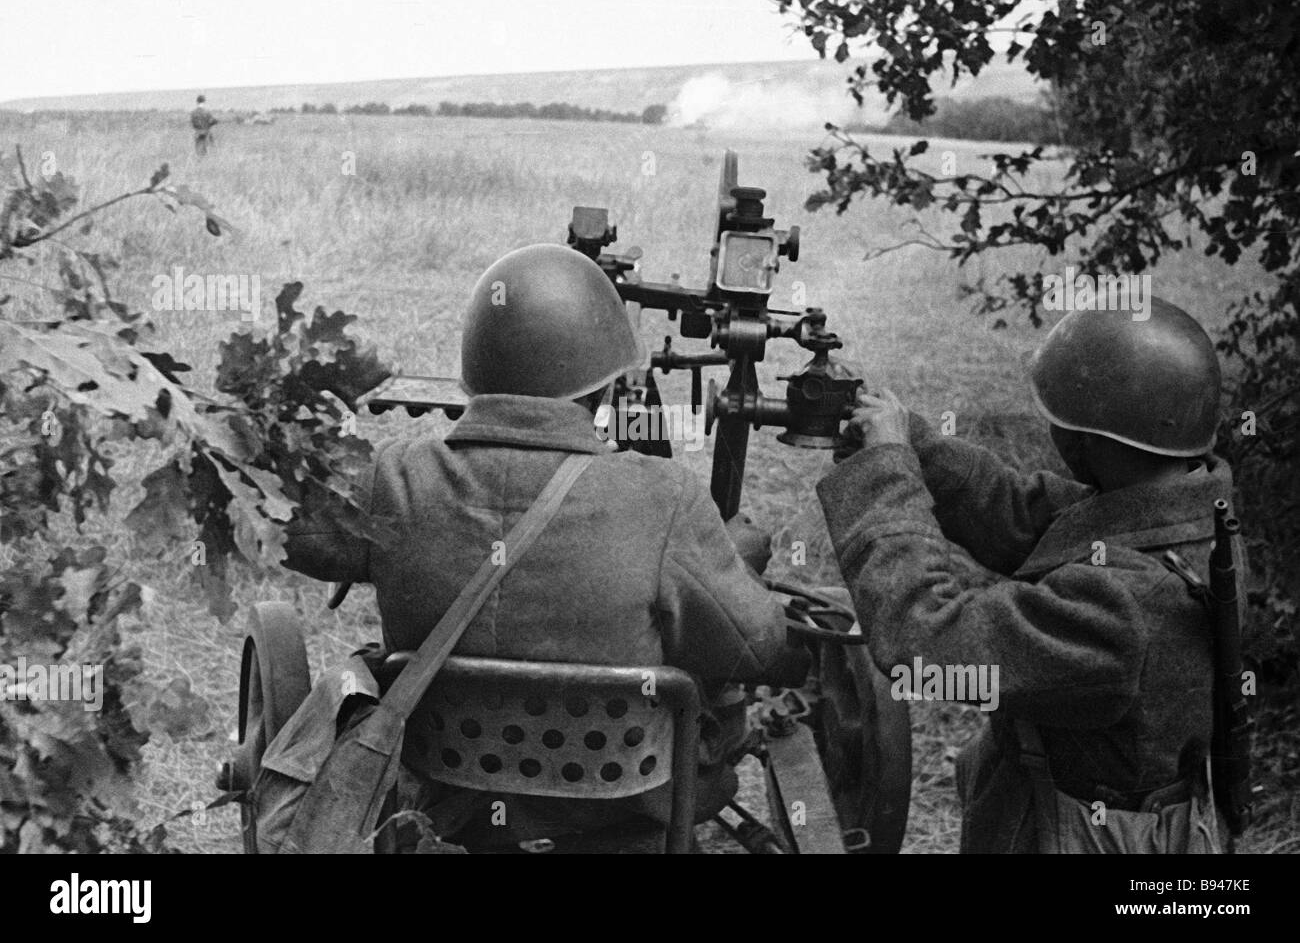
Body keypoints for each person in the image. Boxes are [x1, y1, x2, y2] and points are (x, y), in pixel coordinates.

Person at [282, 243, 808, 847]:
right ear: (605, 388)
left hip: (443, 797)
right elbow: (757, 648)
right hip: (621, 805)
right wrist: (735, 560)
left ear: (472, 373)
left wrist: (315, 401)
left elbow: (288, 531)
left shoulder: (397, 479)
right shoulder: (662, 497)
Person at [818, 297, 1230, 853]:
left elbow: (922, 637)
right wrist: (901, 436)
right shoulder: (1188, 517)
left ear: (1081, 441)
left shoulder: (1124, 603)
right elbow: (1024, 515)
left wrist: (883, 474)